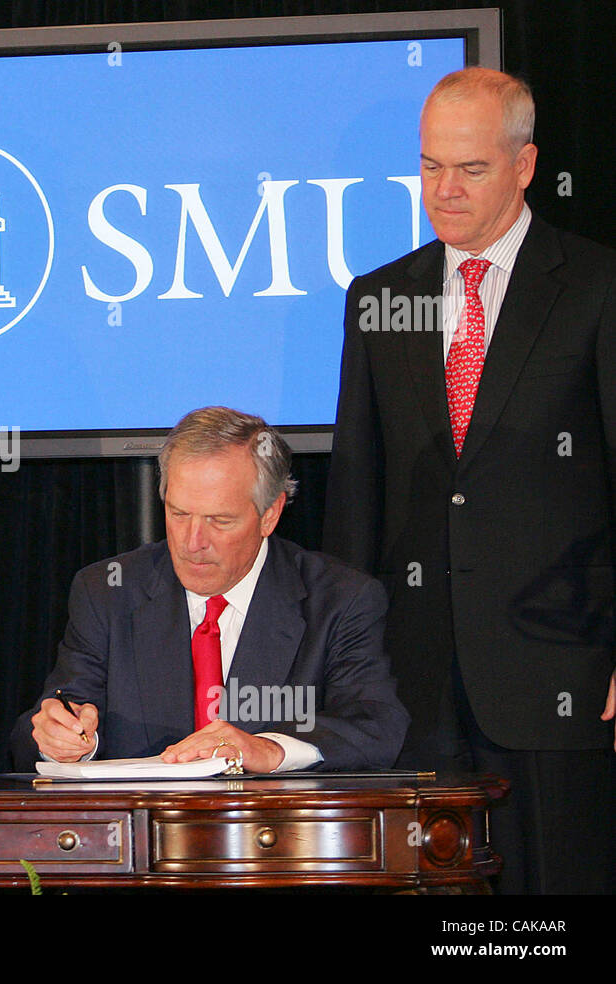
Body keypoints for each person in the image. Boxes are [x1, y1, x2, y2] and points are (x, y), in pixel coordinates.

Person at [323, 68, 616, 893]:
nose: (443, 191)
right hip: (414, 682)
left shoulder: (596, 286)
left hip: (560, 675)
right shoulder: (379, 298)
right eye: (429, 167)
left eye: (470, 169)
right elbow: (356, 492)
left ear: (525, 166)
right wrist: (347, 666)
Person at [12, 406, 407, 773]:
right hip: (144, 838)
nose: (192, 541)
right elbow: (52, 718)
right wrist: (64, 740)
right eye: (179, 514)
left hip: (278, 839)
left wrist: (270, 749)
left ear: (270, 514)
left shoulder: (340, 599)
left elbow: (377, 726)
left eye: (219, 520)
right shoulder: (108, 592)